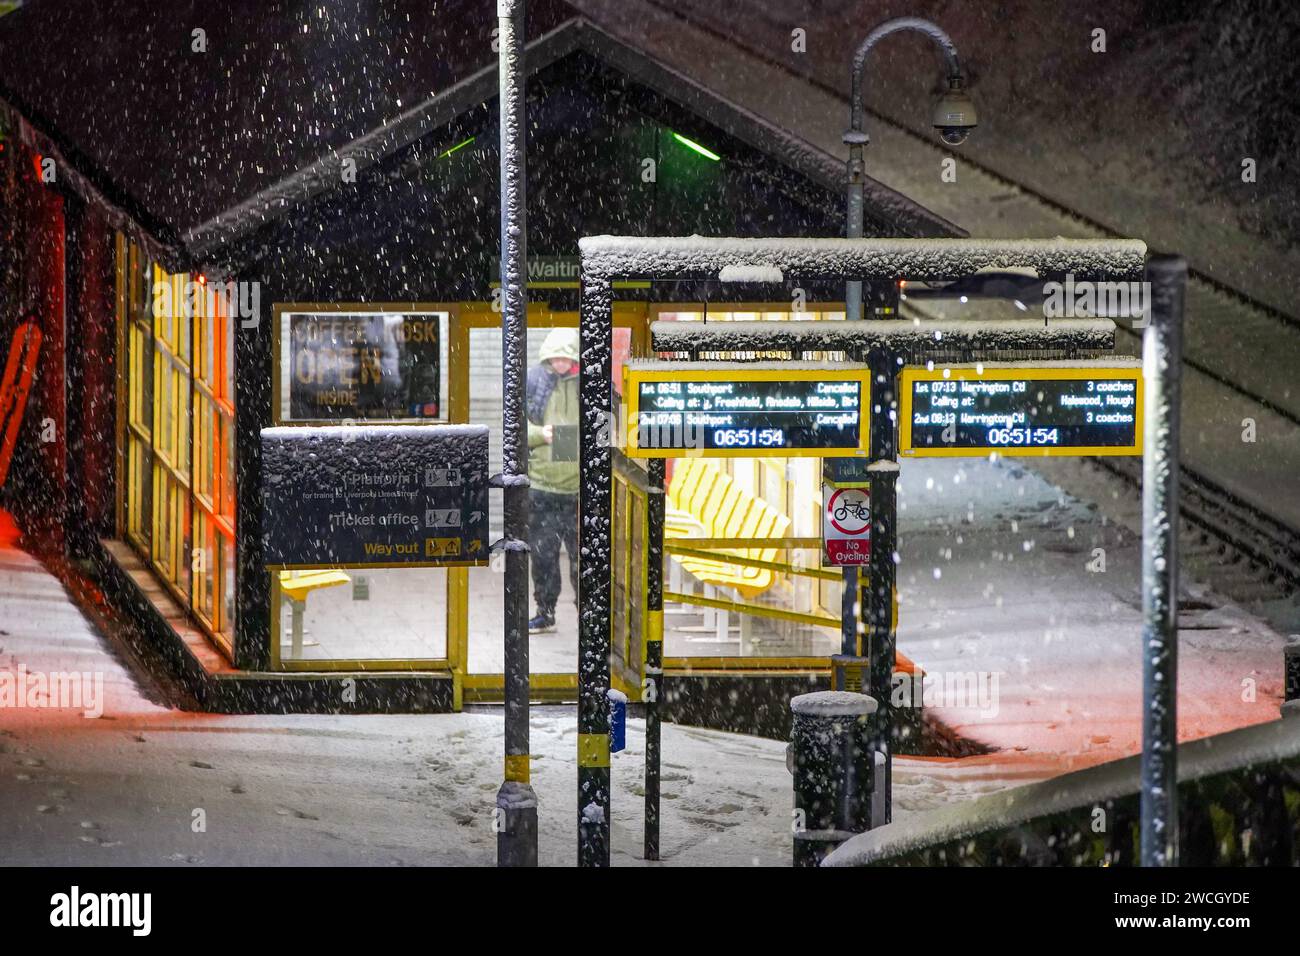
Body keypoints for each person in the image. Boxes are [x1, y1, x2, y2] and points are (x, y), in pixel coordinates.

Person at [526, 327, 580, 633]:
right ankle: (544, 610)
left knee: (583, 559)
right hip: (542, 487)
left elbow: (614, 421)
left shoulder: (591, 381)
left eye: (566, 359)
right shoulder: (534, 380)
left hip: (580, 490)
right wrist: (539, 434)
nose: (560, 365)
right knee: (543, 555)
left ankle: (589, 615)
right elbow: (514, 426)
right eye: (555, 359)